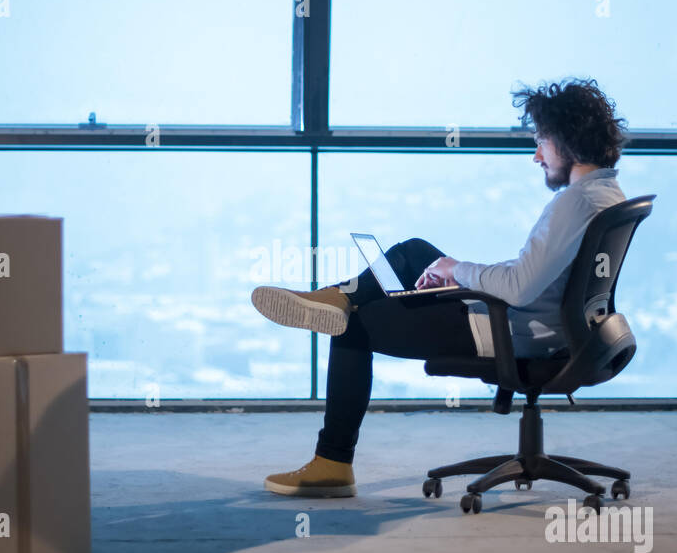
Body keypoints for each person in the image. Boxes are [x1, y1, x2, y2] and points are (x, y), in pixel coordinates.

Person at [250, 78, 629, 497]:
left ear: (567, 140)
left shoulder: (574, 203)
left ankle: (332, 464)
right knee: (415, 252)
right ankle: (336, 297)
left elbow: (520, 287)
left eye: (542, 141)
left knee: (353, 326)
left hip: (511, 331)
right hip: (544, 328)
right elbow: (538, 273)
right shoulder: (606, 194)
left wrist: (460, 271)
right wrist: (453, 270)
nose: (537, 155)